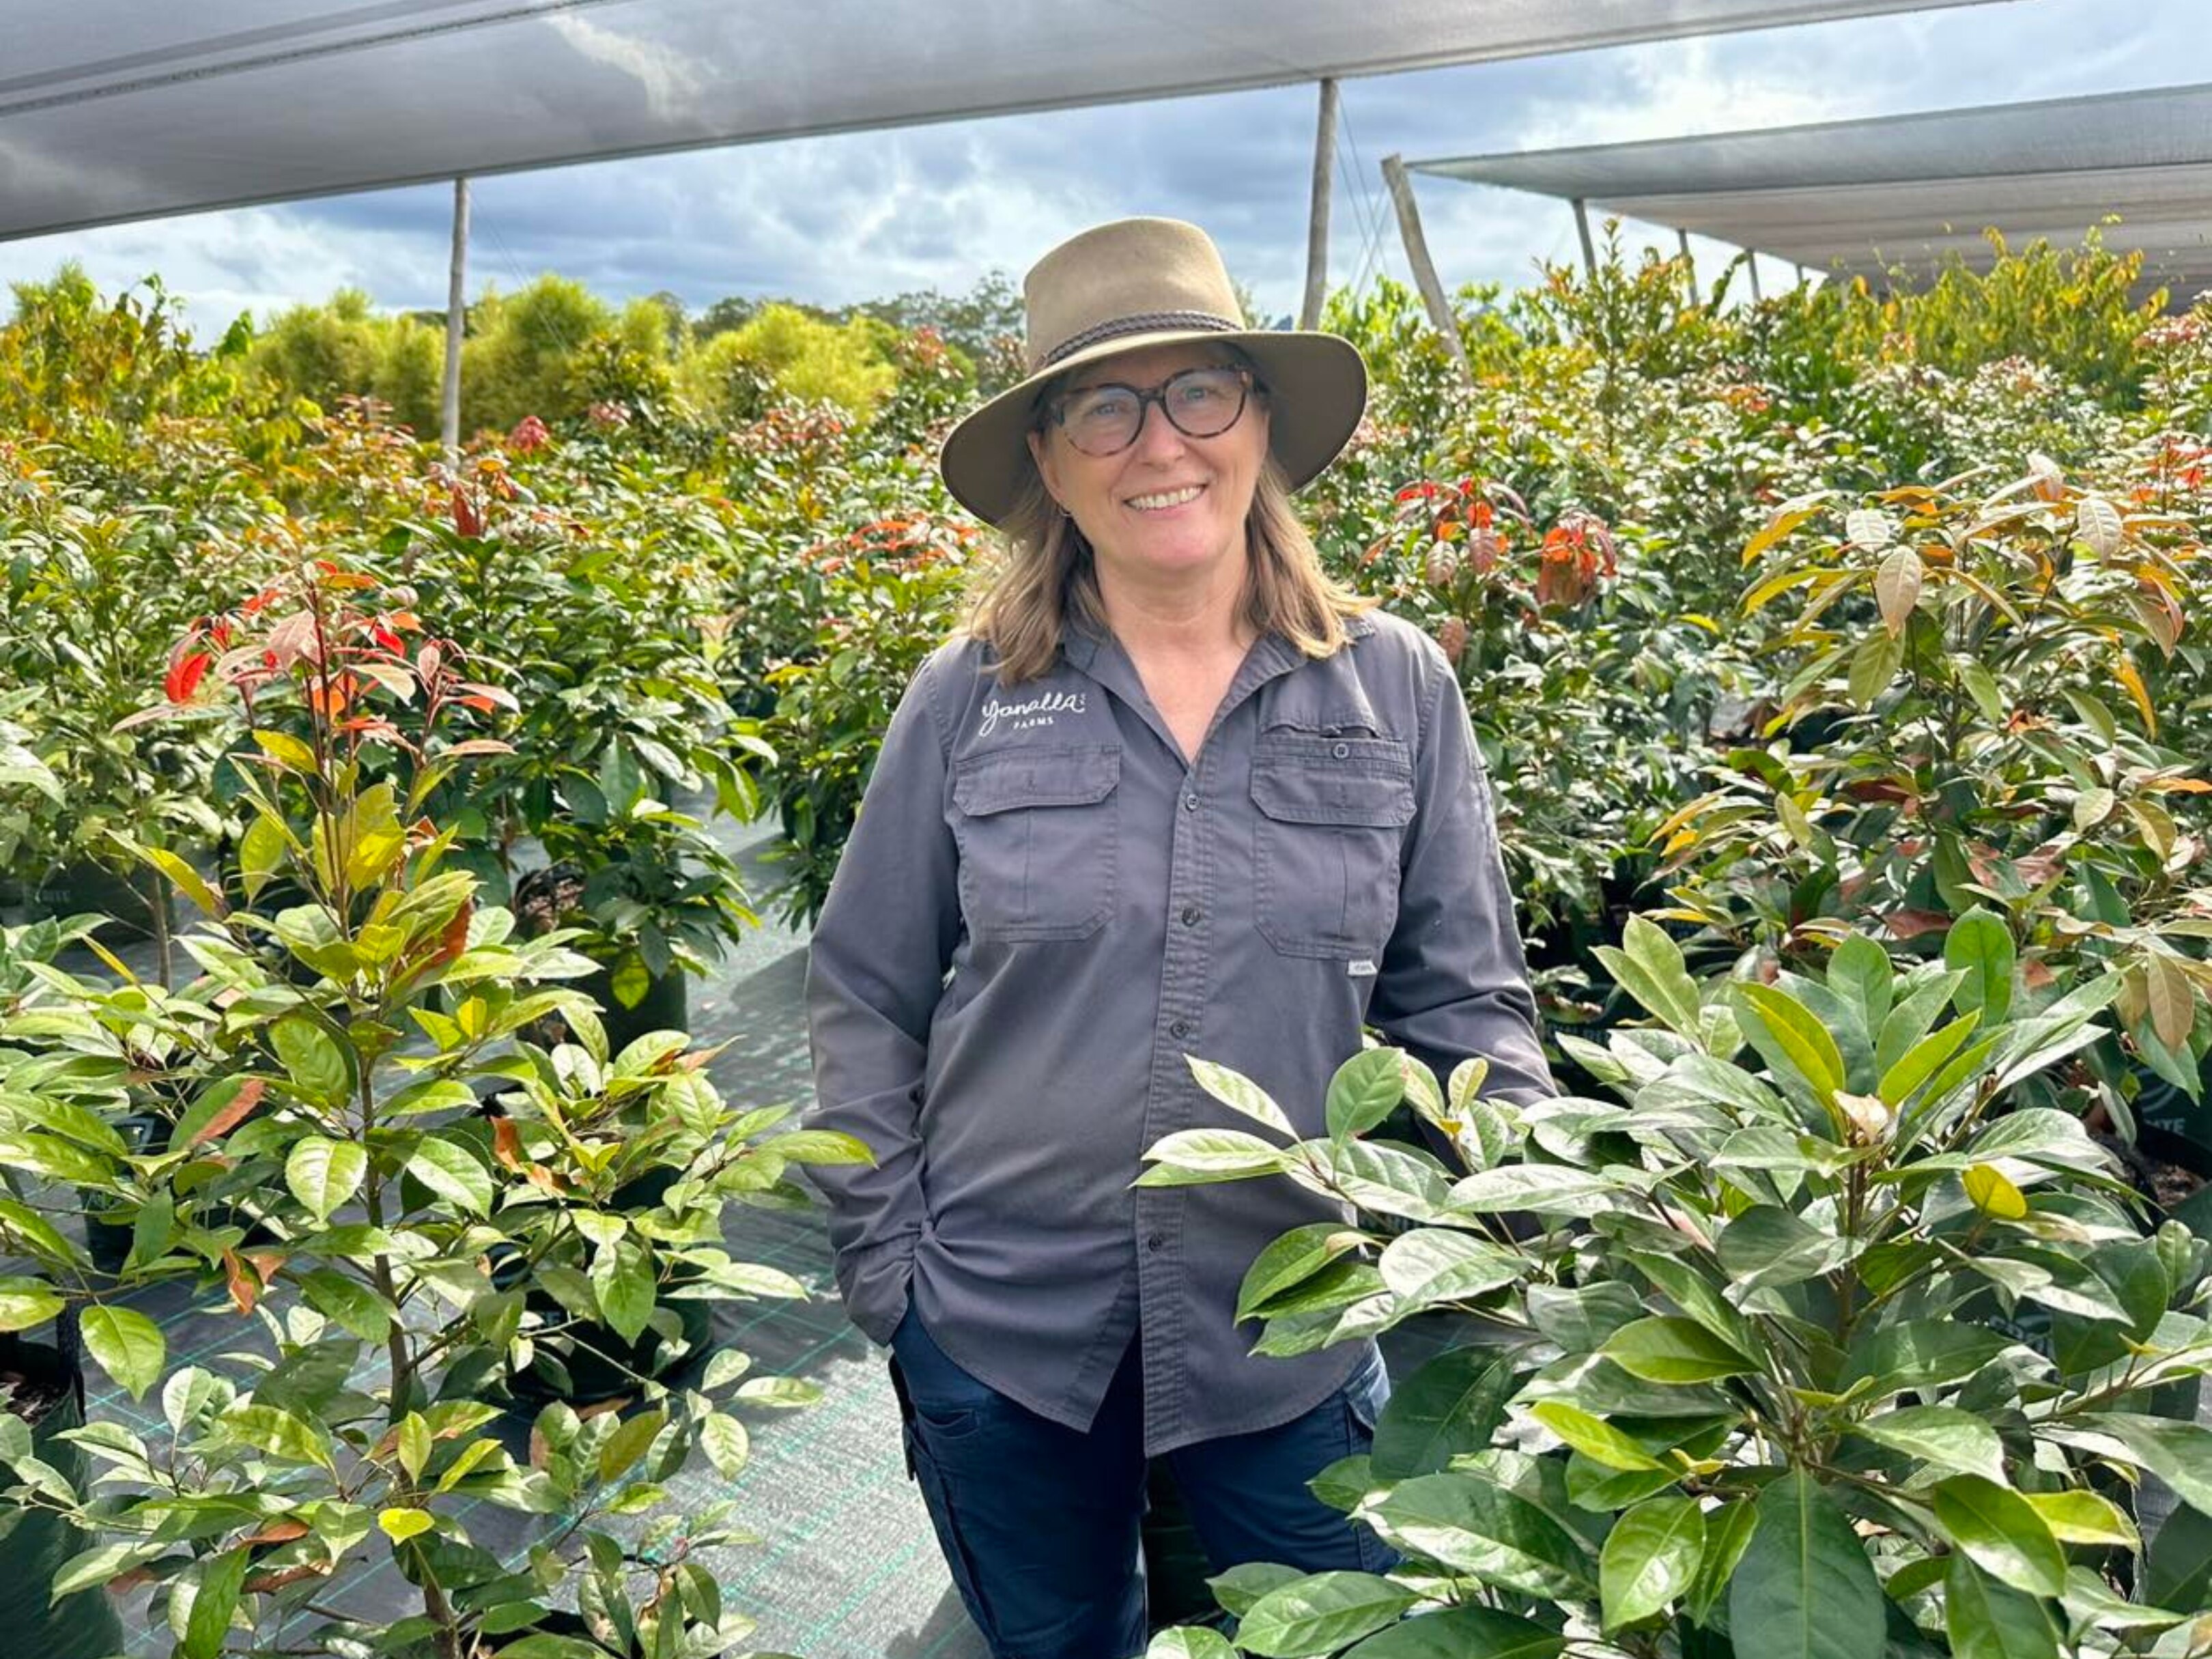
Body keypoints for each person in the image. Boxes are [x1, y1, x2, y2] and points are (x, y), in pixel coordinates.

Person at [804, 217, 1553, 1659]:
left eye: (1199, 391)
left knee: (1333, 1634)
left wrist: (1544, 1204)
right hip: (1003, 1326)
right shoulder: (967, 699)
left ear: (1259, 420)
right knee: (1058, 1638)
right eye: (1105, 405)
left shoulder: (1392, 688)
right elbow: (863, 992)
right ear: (1050, 459)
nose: (1161, 446)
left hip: (1291, 1324)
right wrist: (894, 1282)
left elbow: (1466, 998)